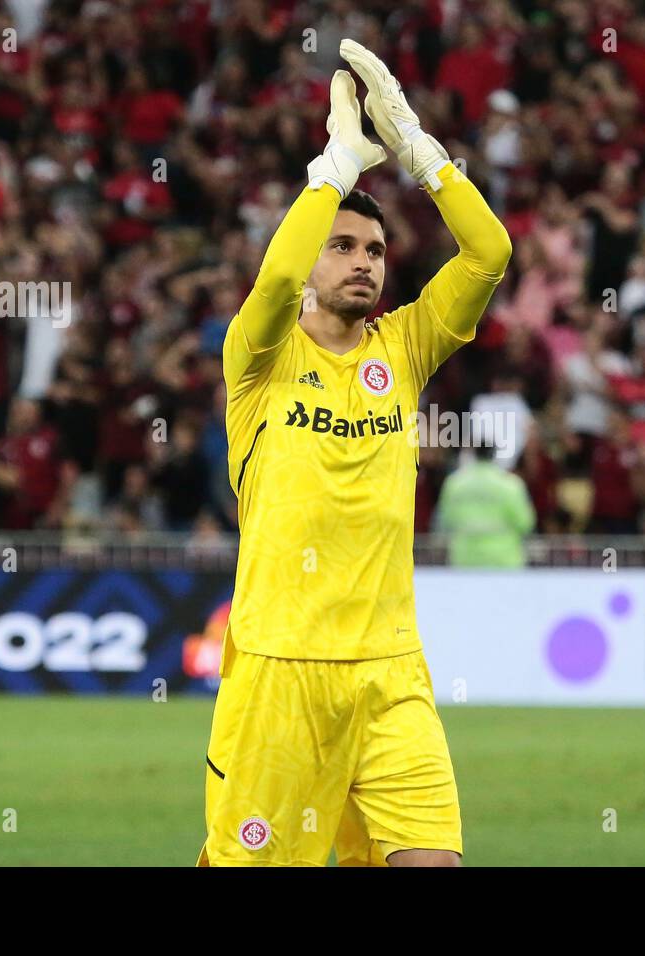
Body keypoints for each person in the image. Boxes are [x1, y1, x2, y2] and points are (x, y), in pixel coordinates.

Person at [200, 43, 511, 868]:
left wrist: (416, 149)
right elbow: (270, 289)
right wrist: (333, 168)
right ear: (309, 263)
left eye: (373, 252)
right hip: (278, 671)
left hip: (390, 673)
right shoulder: (259, 360)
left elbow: (489, 256)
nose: (363, 263)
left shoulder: (403, 349)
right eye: (341, 247)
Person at [434, 439, 536, 567]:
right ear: (494, 454)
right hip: (504, 559)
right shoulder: (511, 485)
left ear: (474, 454)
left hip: (464, 559)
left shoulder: (454, 484)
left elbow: (444, 521)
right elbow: (525, 523)